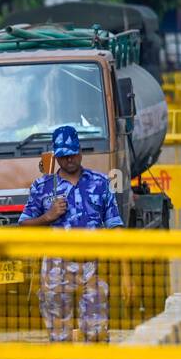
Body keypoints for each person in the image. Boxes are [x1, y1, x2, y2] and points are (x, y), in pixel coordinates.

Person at [18, 125, 130, 343]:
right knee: (59, 337)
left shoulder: (99, 184)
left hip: (93, 267)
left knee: (96, 333)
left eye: (72, 154)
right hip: (55, 268)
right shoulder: (43, 187)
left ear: (80, 152)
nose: (69, 160)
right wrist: (47, 217)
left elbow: (116, 228)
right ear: (57, 157)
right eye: (63, 156)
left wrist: (126, 275)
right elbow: (23, 225)